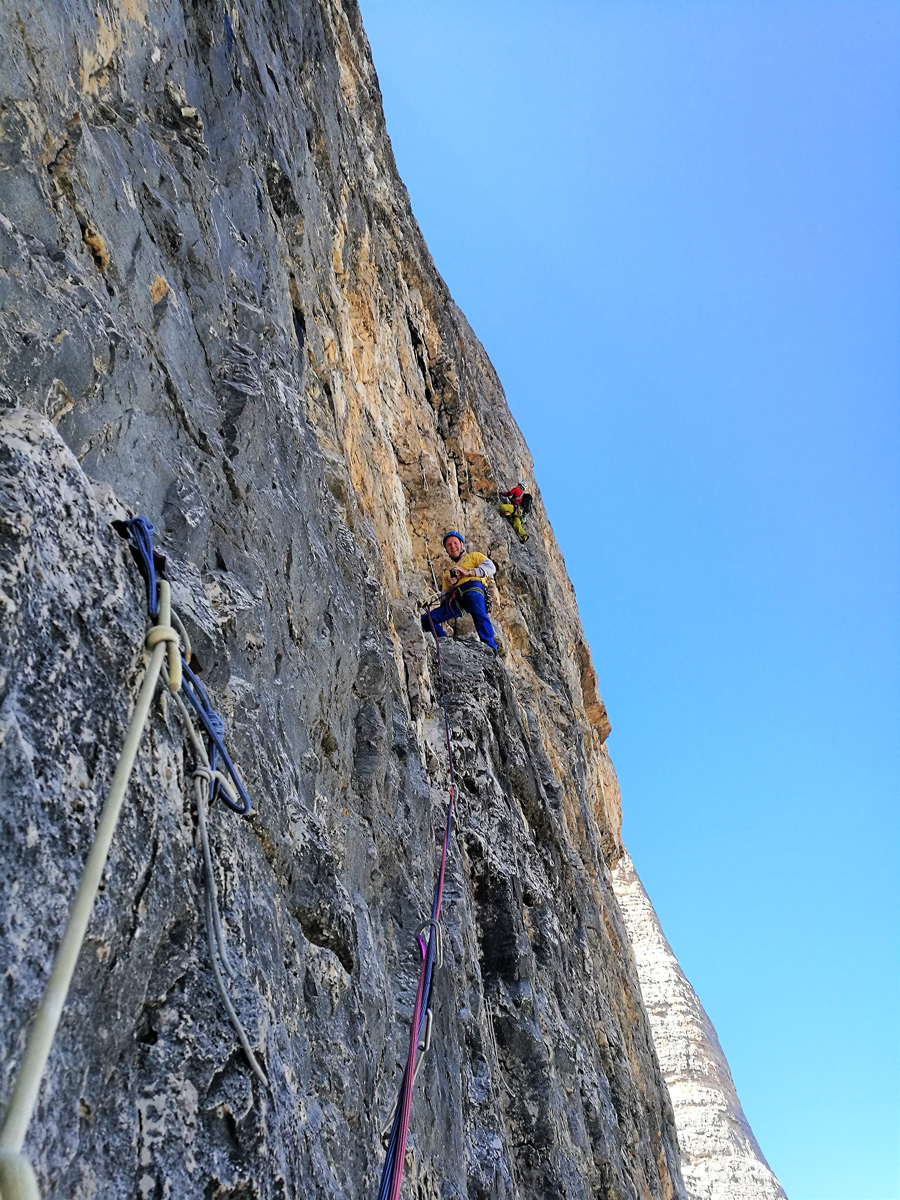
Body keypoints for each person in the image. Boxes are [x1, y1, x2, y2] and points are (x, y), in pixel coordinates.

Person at [421, 530, 498, 652]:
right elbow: (444, 599)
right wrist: (450, 587)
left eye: (455, 543)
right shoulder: (448, 574)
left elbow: (490, 567)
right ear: (447, 550)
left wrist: (468, 572)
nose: (453, 547)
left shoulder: (473, 557)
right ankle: (445, 643)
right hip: (457, 598)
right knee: (427, 618)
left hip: (473, 589)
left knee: (480, 616)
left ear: (462, 545)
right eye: (449, 545)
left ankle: (491, 648)